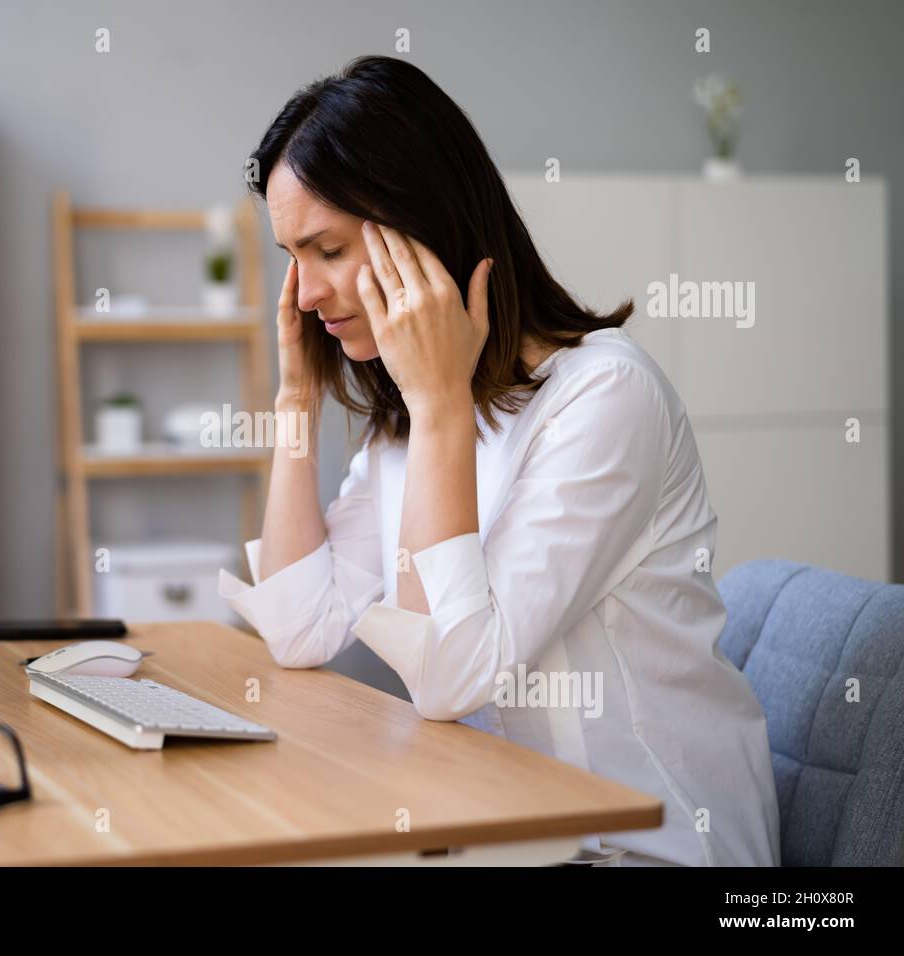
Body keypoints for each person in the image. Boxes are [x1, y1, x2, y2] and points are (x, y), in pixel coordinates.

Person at [219, 55, 780, 866]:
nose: (304, 295)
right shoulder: (410, 421)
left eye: (327, 249)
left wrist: (440, 402)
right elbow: (300, 627)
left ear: (426, 224)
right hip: (506, 830)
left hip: (644, 848)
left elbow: (448, 678)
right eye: (291, 257)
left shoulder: (605, 397)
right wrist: (297, 402)